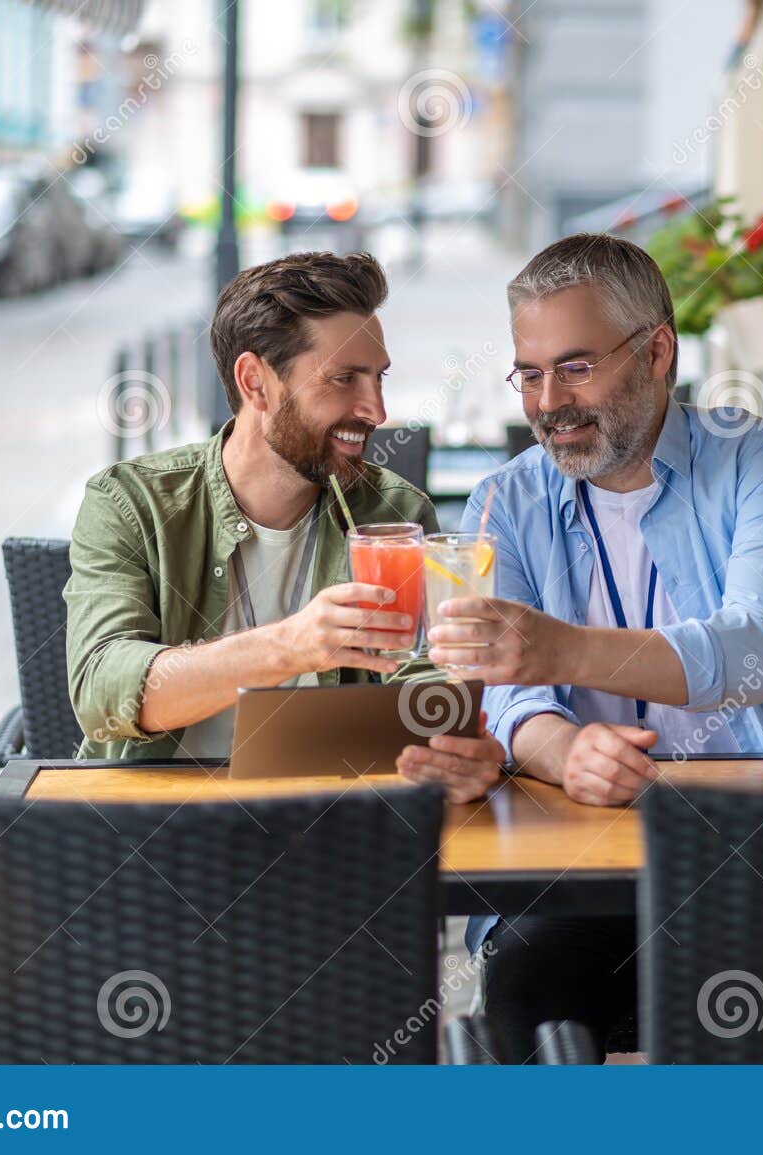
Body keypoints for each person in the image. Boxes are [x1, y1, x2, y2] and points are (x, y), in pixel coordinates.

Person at [426, 233, 763, 1060]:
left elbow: (756, 648)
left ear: (656, 352)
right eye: (529, 372)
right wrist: (565, 748)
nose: (547, 402)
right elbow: (507, 698)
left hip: (754, 853)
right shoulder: (506, 500)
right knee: (523, 992)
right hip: (575, 858)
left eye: (575, 367)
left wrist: (562, 649)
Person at [63, 250, 504, 801]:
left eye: (378, 378)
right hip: (157, 829)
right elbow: (105, 690)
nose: (377, 410)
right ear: (256, 383)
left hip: (329, 825)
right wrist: (292, 646)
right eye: (344, 378)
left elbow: (421, 680)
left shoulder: (393, 515)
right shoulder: (132, 503)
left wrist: (454, 749)